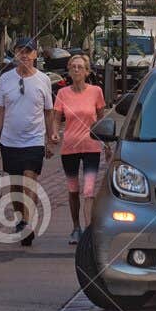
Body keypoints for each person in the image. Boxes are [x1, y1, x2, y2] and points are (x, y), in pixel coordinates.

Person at [0, 38, 56, 246]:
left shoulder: (43, 80)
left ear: (35, 55)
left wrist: (49, 139)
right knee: (15, 187)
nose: (24, 55)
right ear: (15, 54)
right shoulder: (6, 79)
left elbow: (49, 112)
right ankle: (21, 219)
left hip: (34, 140)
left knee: (29, 181)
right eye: (20, 51)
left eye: (28, 51)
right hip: (10, 141)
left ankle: (28, 223)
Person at [52, 54, 106, 244]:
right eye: (73, 67)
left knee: (89, 190)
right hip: (70, 147)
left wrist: (106, 141)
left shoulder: (96, 92)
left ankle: (89, 233)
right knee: (73, 189)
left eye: (80, 67)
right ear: (68, 70)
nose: (76, 70)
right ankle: (76, 227)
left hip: (91, 146)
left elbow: (101, 118)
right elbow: (56, 118)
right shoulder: (62, 94)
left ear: (87, 71)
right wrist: (54, 133)